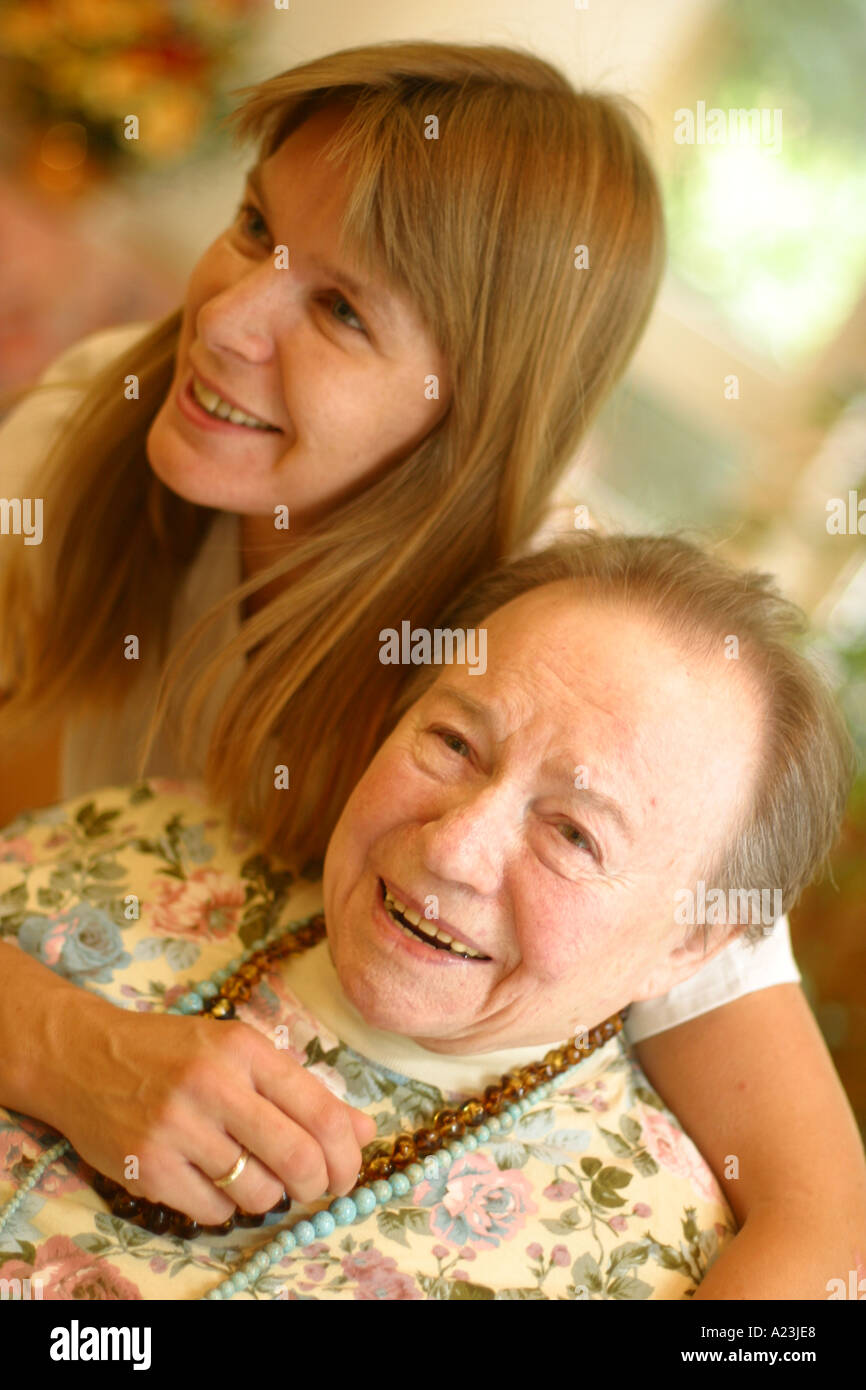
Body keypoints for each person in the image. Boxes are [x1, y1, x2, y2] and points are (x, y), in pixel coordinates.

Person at [0, 41, 862, 1296]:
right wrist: (54, 1044)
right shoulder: (94, 415)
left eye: (342, 311)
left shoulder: (572, 666)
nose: (224, 318)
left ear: (476, 408)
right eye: (252, 228)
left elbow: (822, 1228)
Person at [0, 532, 862, 1301]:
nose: (454, 848)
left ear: (688, 948)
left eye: (572, 833)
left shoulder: (659, 1264)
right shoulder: (153, 843)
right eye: (453, 744)